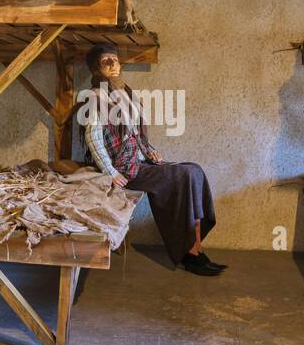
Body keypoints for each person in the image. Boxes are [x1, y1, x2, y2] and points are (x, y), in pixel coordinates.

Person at [82, 44, 223, 276]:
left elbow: (136, 135)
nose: (113, 64)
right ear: (96, 68)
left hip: (138, 162)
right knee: (184, 175)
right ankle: (189, 254)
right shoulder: (95, 96)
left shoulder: (126, 93)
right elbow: (92, 137)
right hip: (124, 168)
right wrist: (109, 171)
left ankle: (197, 247)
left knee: (194, 170)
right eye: (105, 60)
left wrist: (150, 152)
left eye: (115, 60)